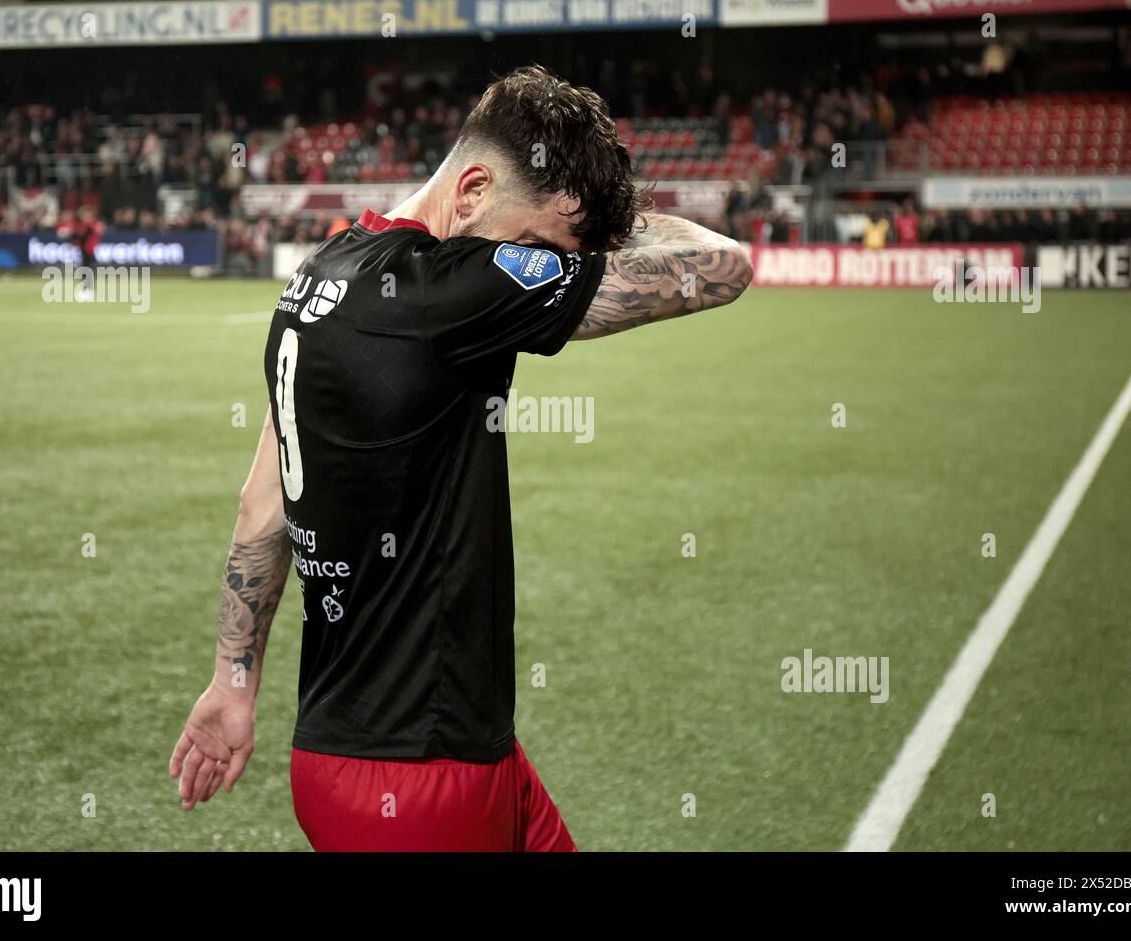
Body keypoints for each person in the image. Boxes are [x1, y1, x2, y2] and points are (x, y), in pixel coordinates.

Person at [169, 65, 753, 851]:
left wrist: (233, 685)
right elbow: (723, 266)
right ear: (471, 191)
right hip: (422, 779)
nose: (547, 269)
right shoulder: (453, 295)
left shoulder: (319, 274)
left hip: (382, 746)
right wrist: (613, 219)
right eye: (542, 246)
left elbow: (261, 507)